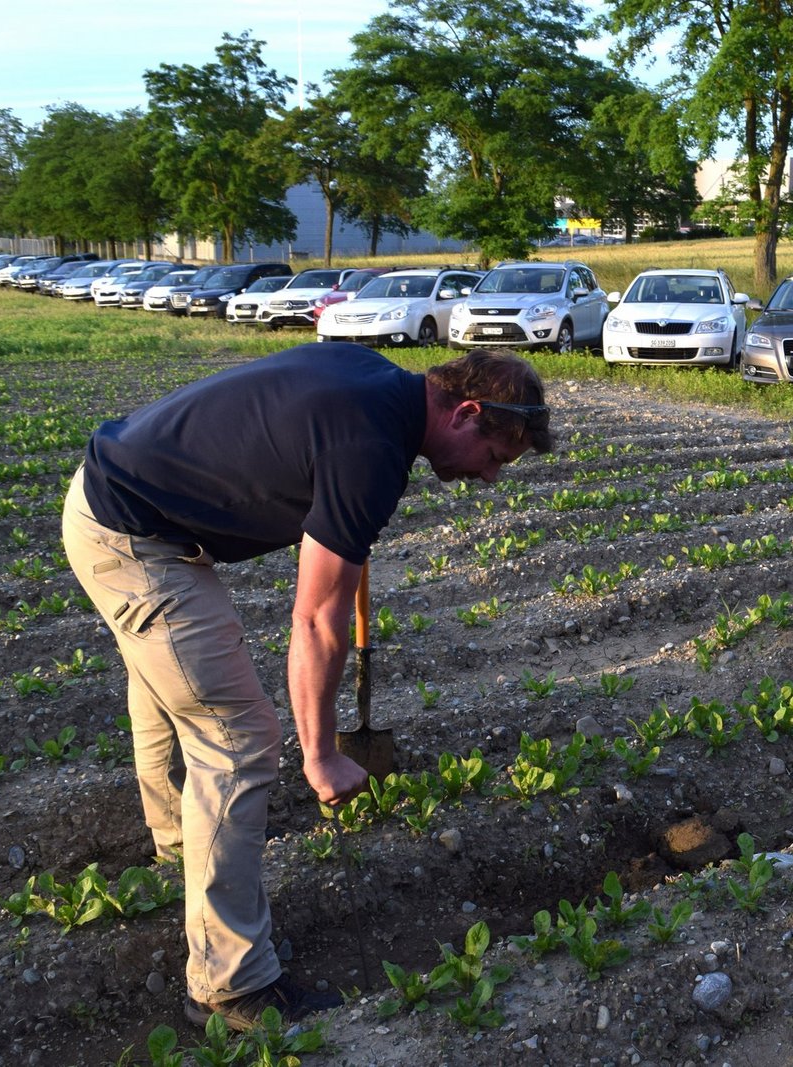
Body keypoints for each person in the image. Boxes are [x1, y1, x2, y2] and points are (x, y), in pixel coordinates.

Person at [61, 342, 553, 1032]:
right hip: (134, 536)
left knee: (171, 682)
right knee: (234, 737)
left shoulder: (377, 381)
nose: (491, 478)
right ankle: (230, 984)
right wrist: (318, 752)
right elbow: (319, 617)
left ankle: (179, 846)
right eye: (497, 458)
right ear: (468, 413)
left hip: (122, 497)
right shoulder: (371, 444)